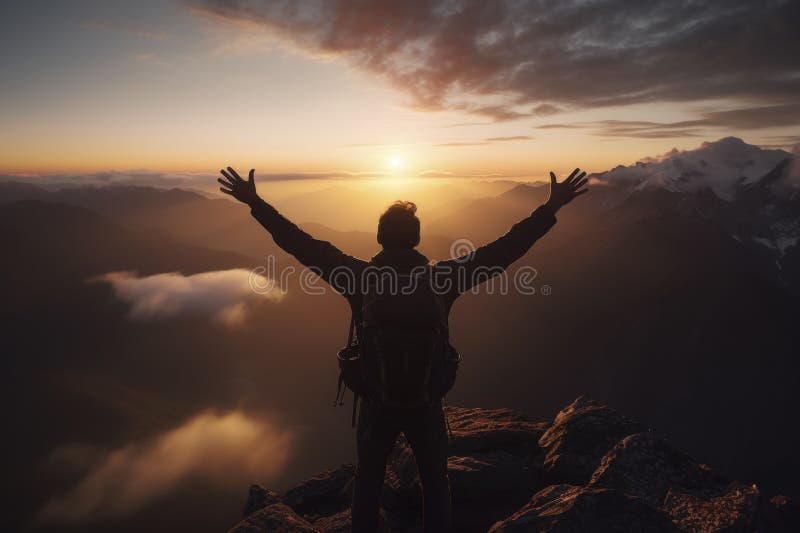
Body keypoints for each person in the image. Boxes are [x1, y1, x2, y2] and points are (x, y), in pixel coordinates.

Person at [218, 166, 588, 532]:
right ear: (416, 239)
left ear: (380, 238)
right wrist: (550, 207)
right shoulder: (444, 279)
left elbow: (300, 243)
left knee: (368, 480)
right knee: (434, 480)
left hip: (377, 400)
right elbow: (504, 251)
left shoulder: (358, 277)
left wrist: (255, 202)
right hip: (426, 401)